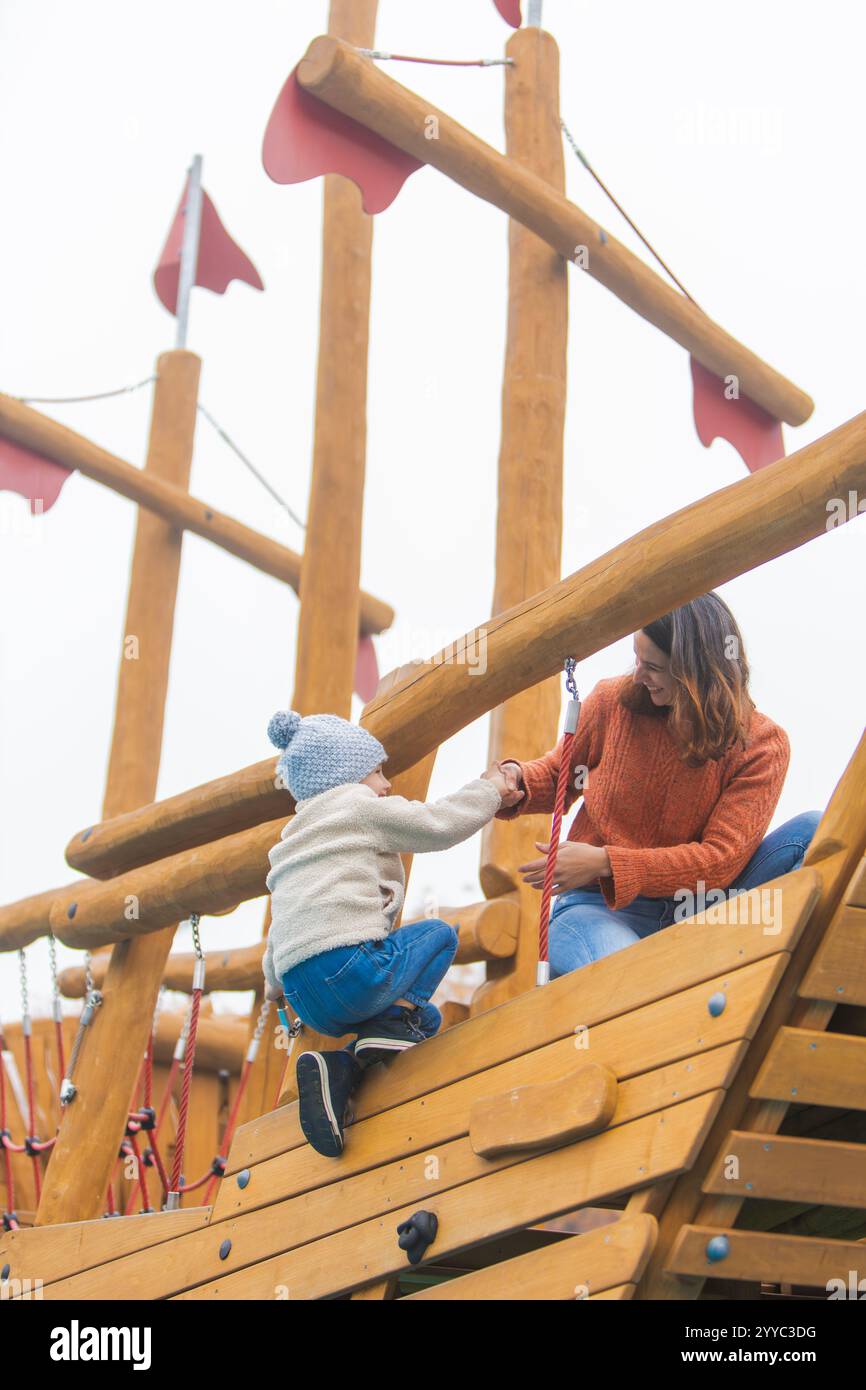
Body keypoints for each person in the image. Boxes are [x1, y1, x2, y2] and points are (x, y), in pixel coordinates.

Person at [494, 592, 821, 977]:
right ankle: (677, 976)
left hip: (703, 908)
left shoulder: (762, 743)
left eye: (651, 666)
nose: (637, 675)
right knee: (631, 977)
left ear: (694, 671)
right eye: (636, 659)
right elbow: (558, 774)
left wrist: (605, 862)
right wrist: (514, 779)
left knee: (813, 830)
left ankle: (768, 966)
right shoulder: (612, 702)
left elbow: (719, 860)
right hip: (600, 909)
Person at [263, 708, 524, 1157]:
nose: (386, 785)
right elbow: (436, 824)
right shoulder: (356, 807)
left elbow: (281, 928)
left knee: (425, 1022)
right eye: (377, 772)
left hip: (305, 997)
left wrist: (272, 985)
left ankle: (337, 1068)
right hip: (351, 970)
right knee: (440, 936)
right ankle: (380, 1031)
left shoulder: (291, 841)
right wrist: (490, 791)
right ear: (346, 778)